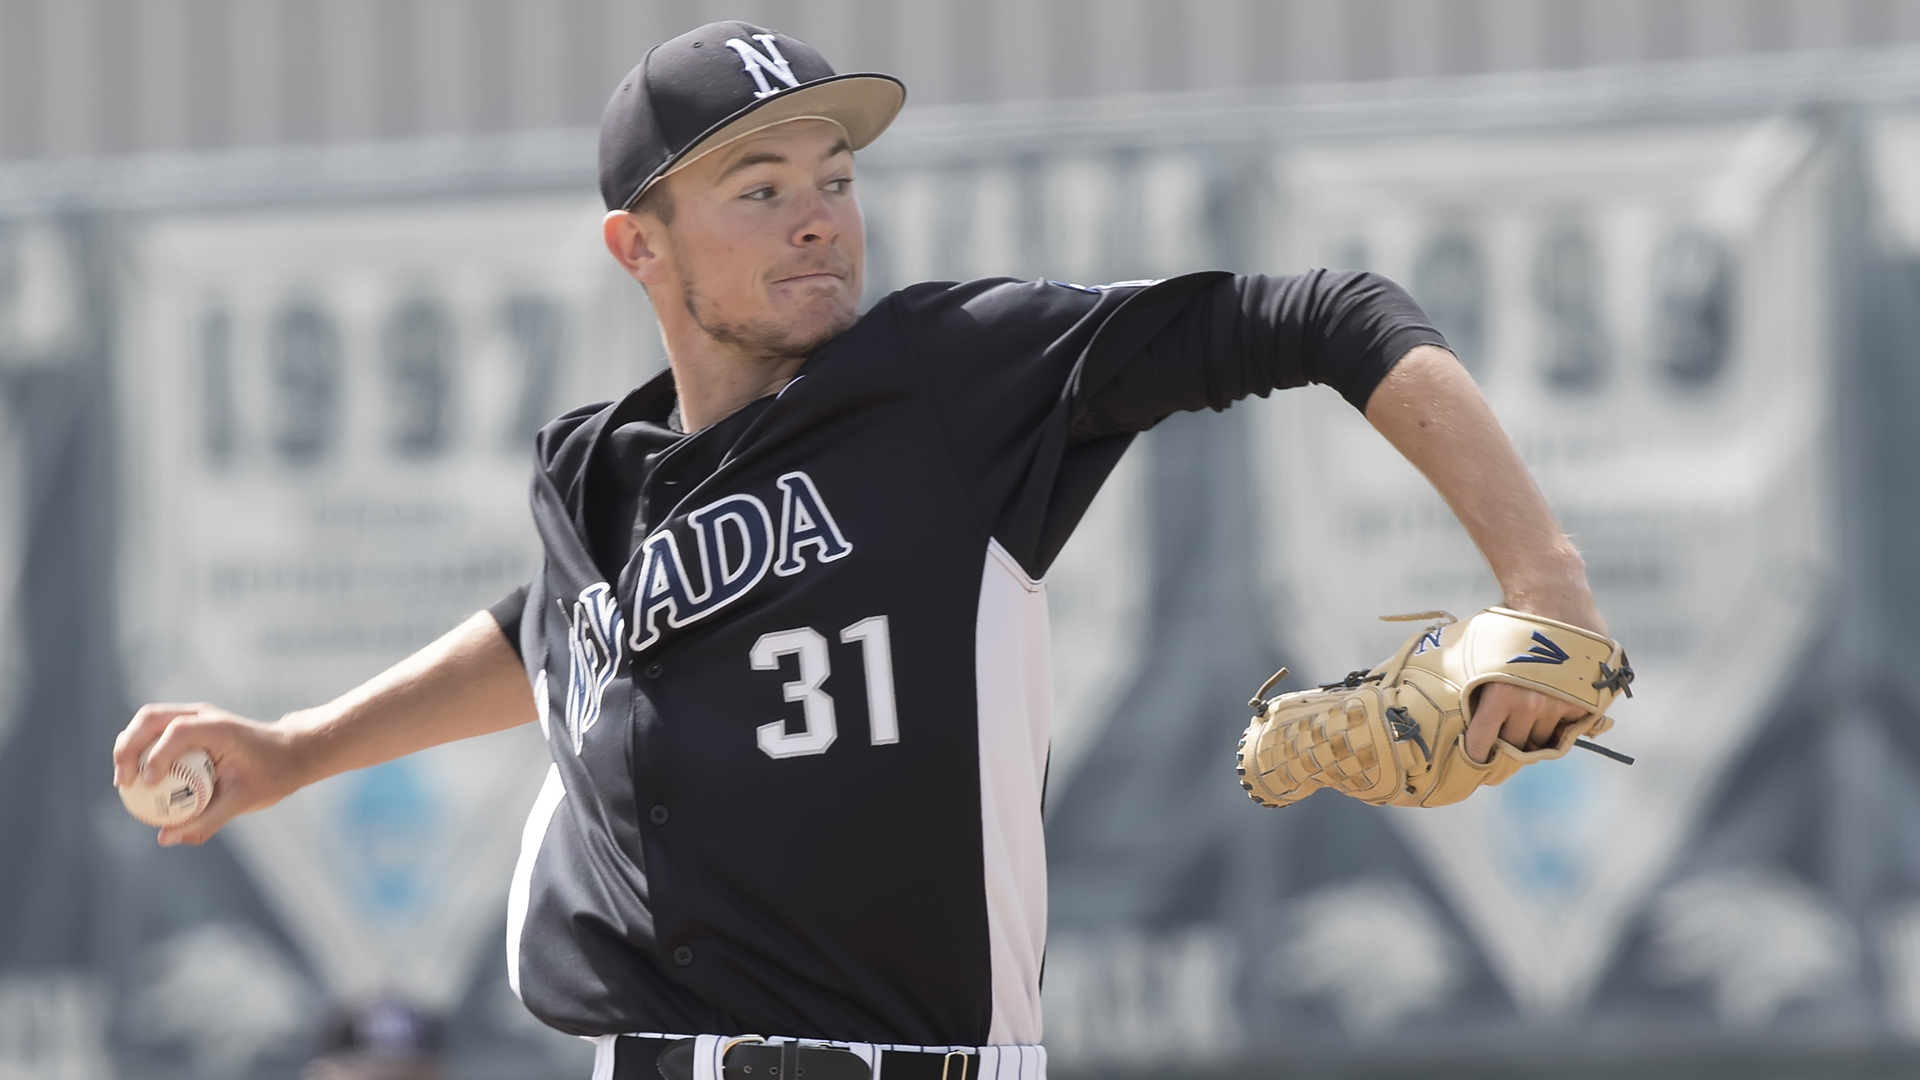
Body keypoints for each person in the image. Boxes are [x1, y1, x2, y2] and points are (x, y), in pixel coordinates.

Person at [114, 21, 1608, 1080]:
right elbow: (557, 630)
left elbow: (1328, 316)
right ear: (640, 246)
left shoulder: (952, 385)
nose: (818, 220)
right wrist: (298, 750)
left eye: (833, 178)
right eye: (757, 191)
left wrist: (1543, 588)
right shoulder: (601, 477)